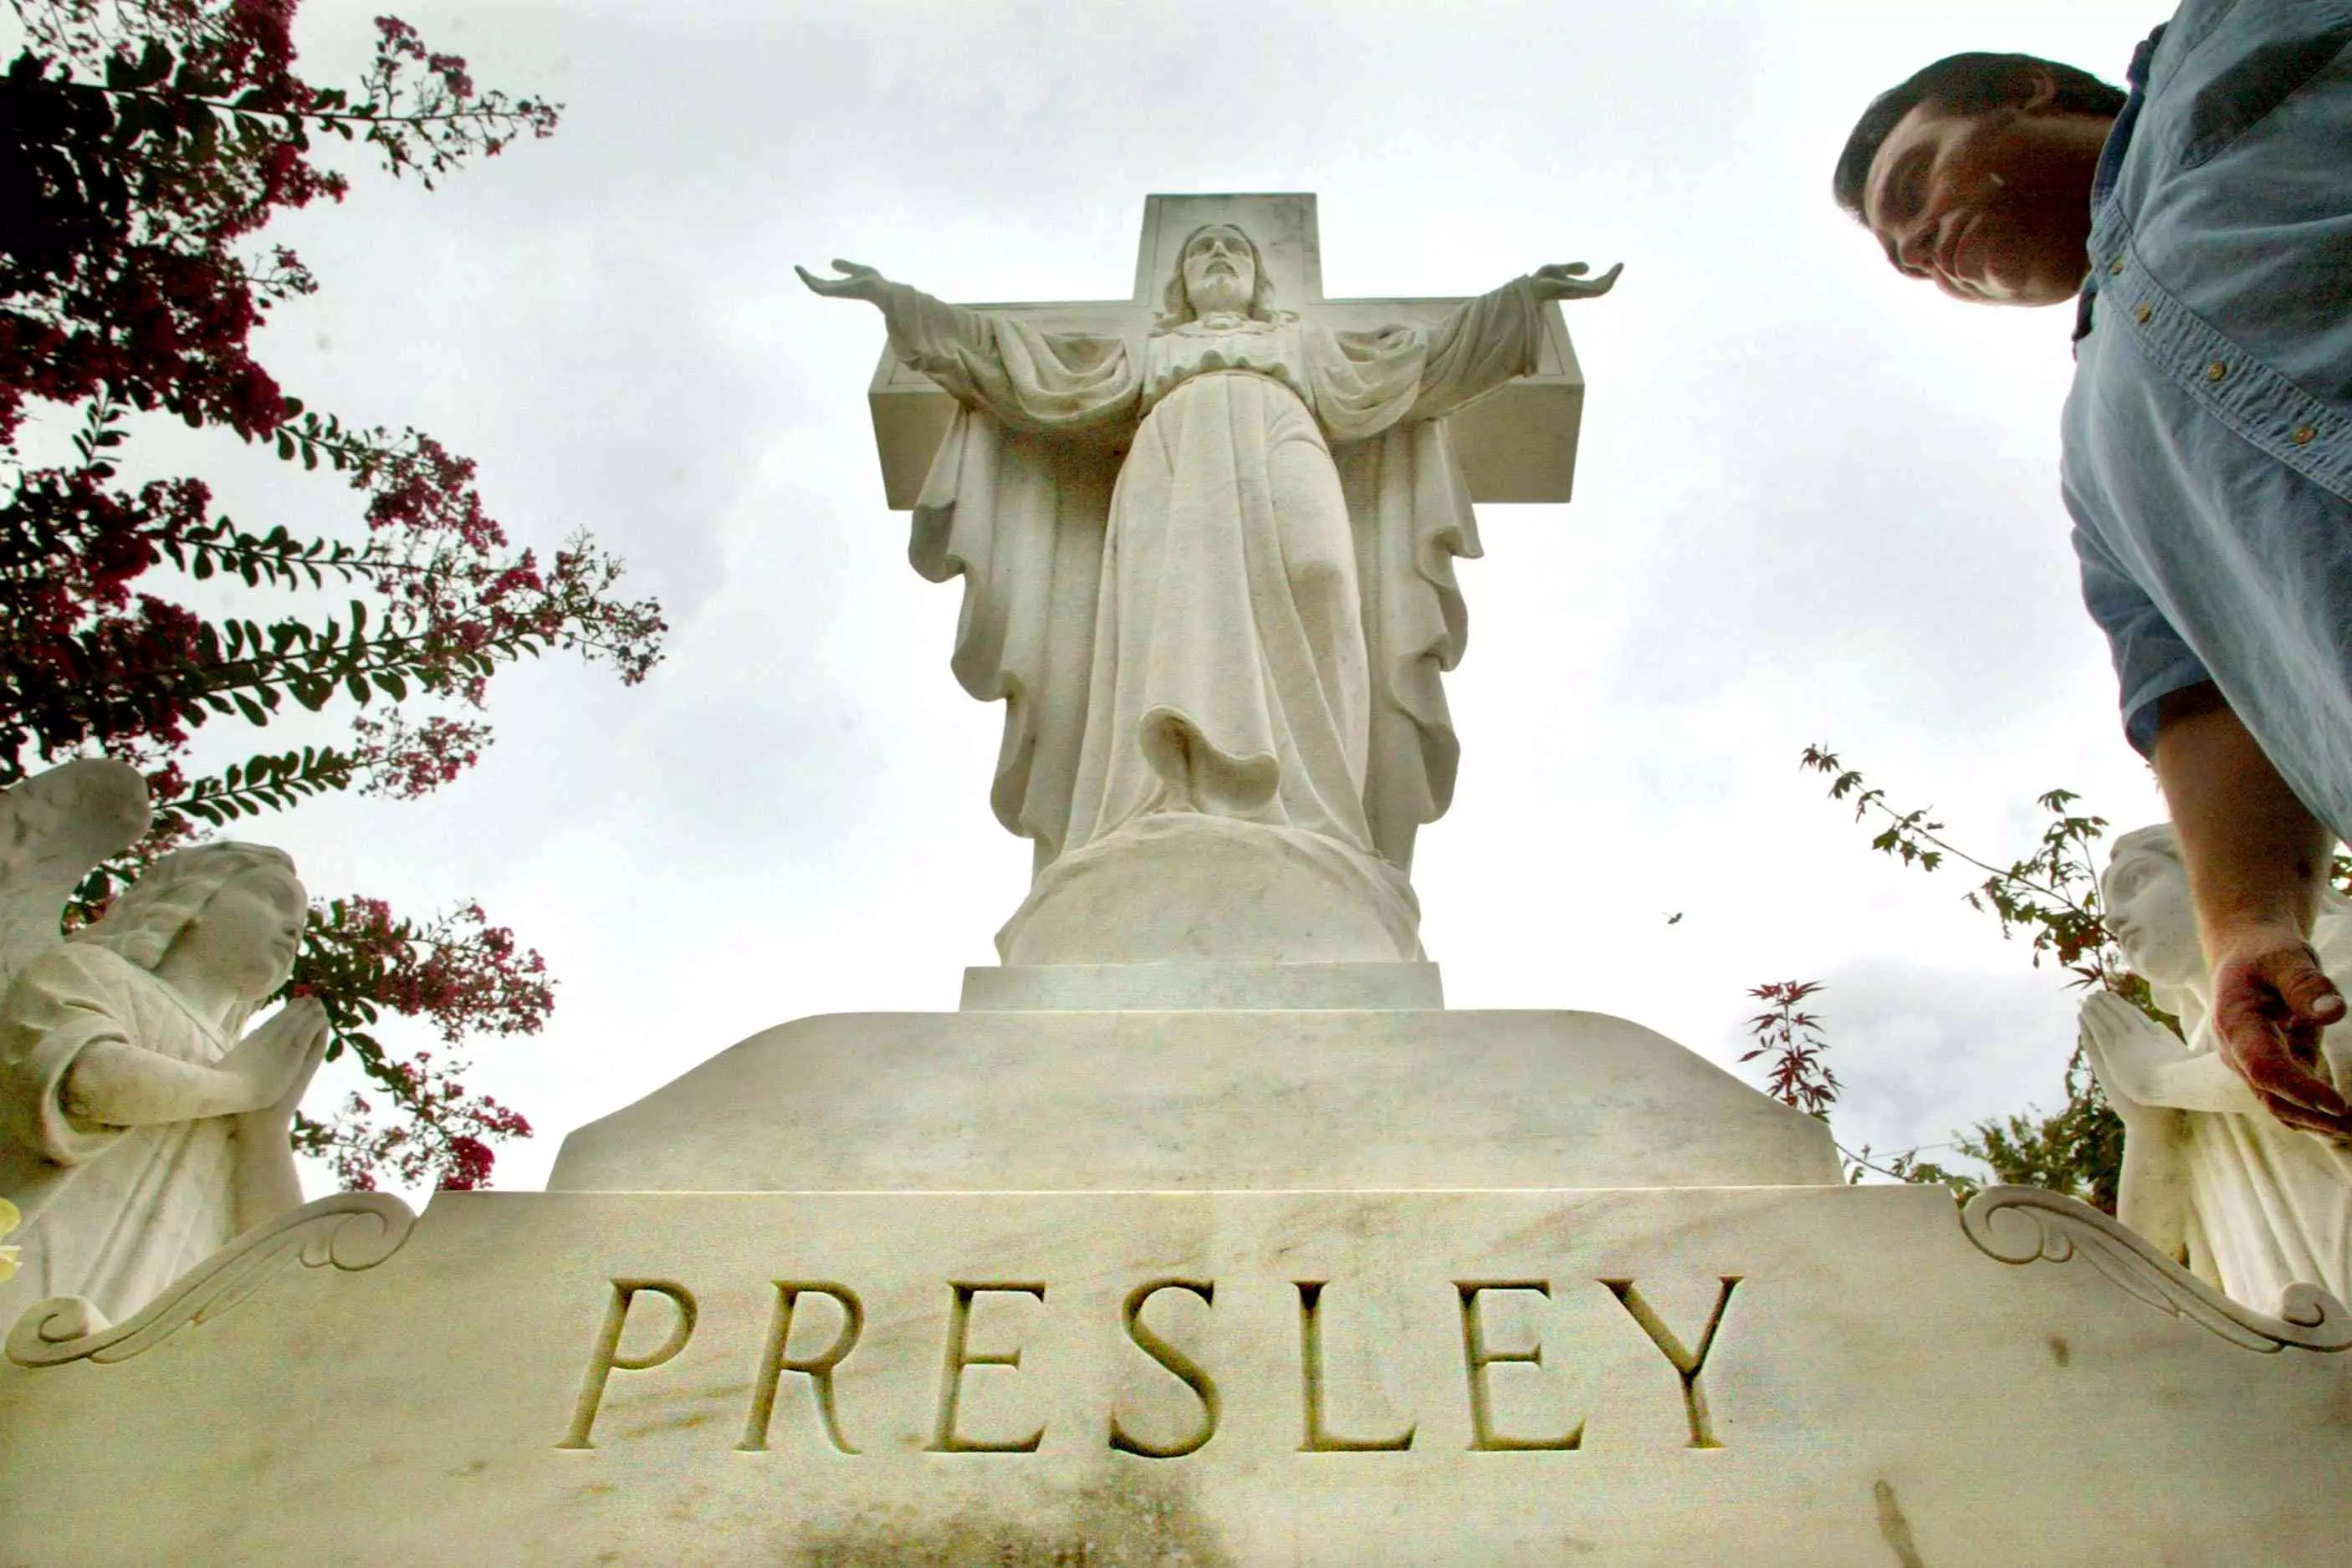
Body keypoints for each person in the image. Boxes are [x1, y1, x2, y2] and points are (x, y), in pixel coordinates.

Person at [799, 227, 1617, 960]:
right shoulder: (1148, 356)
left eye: (1234, 249)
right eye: (1201, 251)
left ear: (1259, 278)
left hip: (1285, 432)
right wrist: (899, 304)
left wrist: (1522, 303)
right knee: (1176, 614)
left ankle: (1314, 815)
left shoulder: (1305, 349)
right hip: (1172, 458)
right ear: (1180, 281)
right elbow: (1020, 370)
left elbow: (1427, 365)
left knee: (1323, 579)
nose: (1218, 256)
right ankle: (1170, 795)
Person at [1833, 9, 2352, 1136]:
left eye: (1916, 183)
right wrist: (2249, 921)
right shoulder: (2099, 455)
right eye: (1898, 252)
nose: (1919, 246)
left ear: (2027, 89)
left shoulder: (2227, 46)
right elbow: (2192, 685)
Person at [0, 842, 326, 1327]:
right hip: (44, 1257)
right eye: (272, 899)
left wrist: (268, 1128)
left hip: (150, 1316)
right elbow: (86, 1081)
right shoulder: (90, 971)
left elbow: (274, 1261)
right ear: (193, 901)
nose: (291, 929)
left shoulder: (245, 1068)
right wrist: (241, 1088)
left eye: (298, 927)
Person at [2081, 824, 2352, 1310]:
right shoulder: (2196, 1058)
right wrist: (2149, 1127)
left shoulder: (2328, 948)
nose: (2116, 921)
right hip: (2292, 1343)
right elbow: (2153, 1260)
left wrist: (2158, 1080)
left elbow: (2333, 1080)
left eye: (2137, 881)